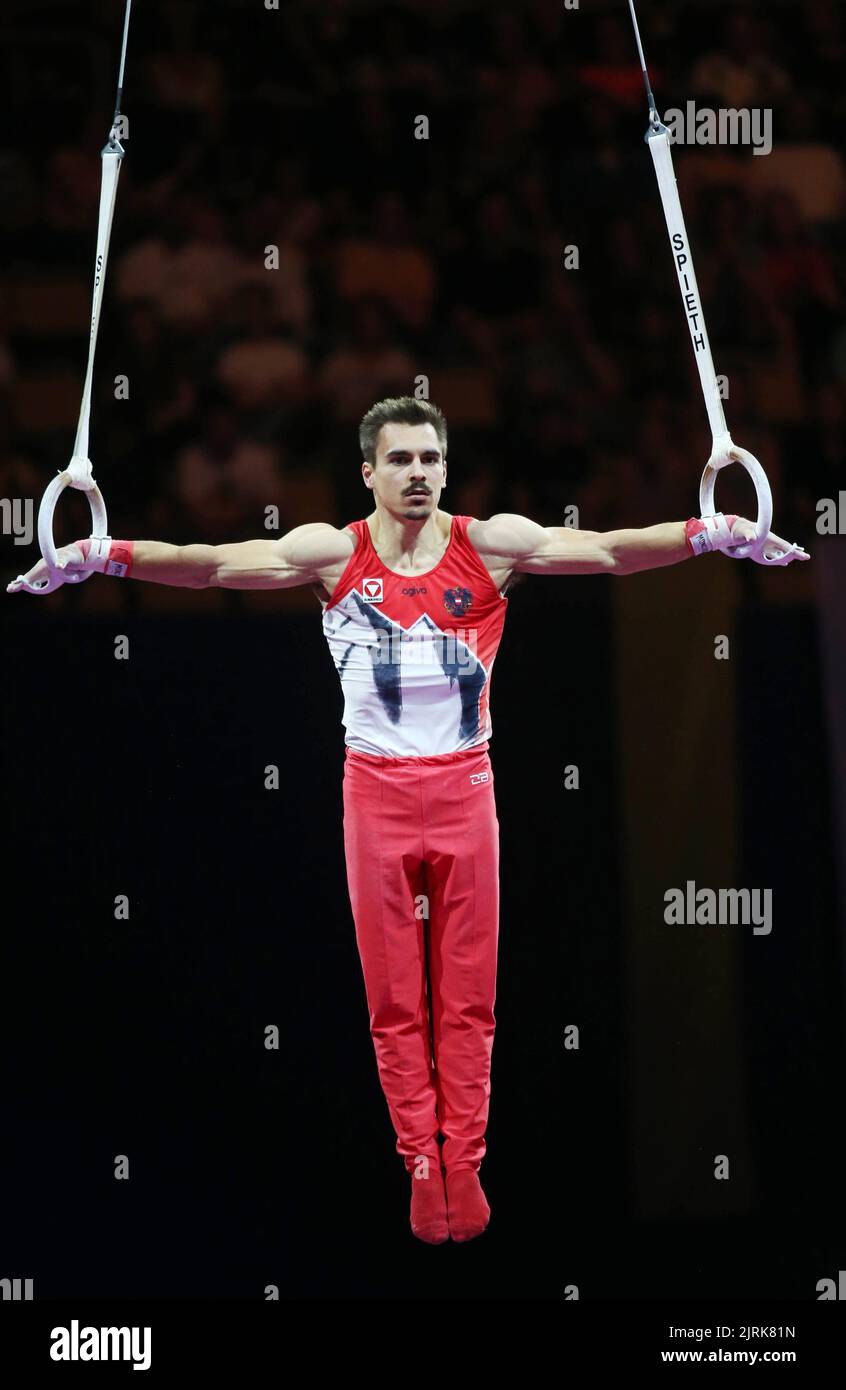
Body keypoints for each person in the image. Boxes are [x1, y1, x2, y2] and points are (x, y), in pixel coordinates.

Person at [8, 396, 808, 1243]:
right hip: (376, 799)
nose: (418, 473)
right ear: (369, 472)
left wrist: (708, 534)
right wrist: (103, 555)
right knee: (395, 1003)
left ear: (446, 469)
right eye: (401, 460)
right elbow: (210, 566)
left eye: (431, 459)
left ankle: (463, 1161)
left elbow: (607, 550)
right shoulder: (331, 554)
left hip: (466, 795)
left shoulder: (490, 545)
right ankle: (419, 1166)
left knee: (468, 1001)